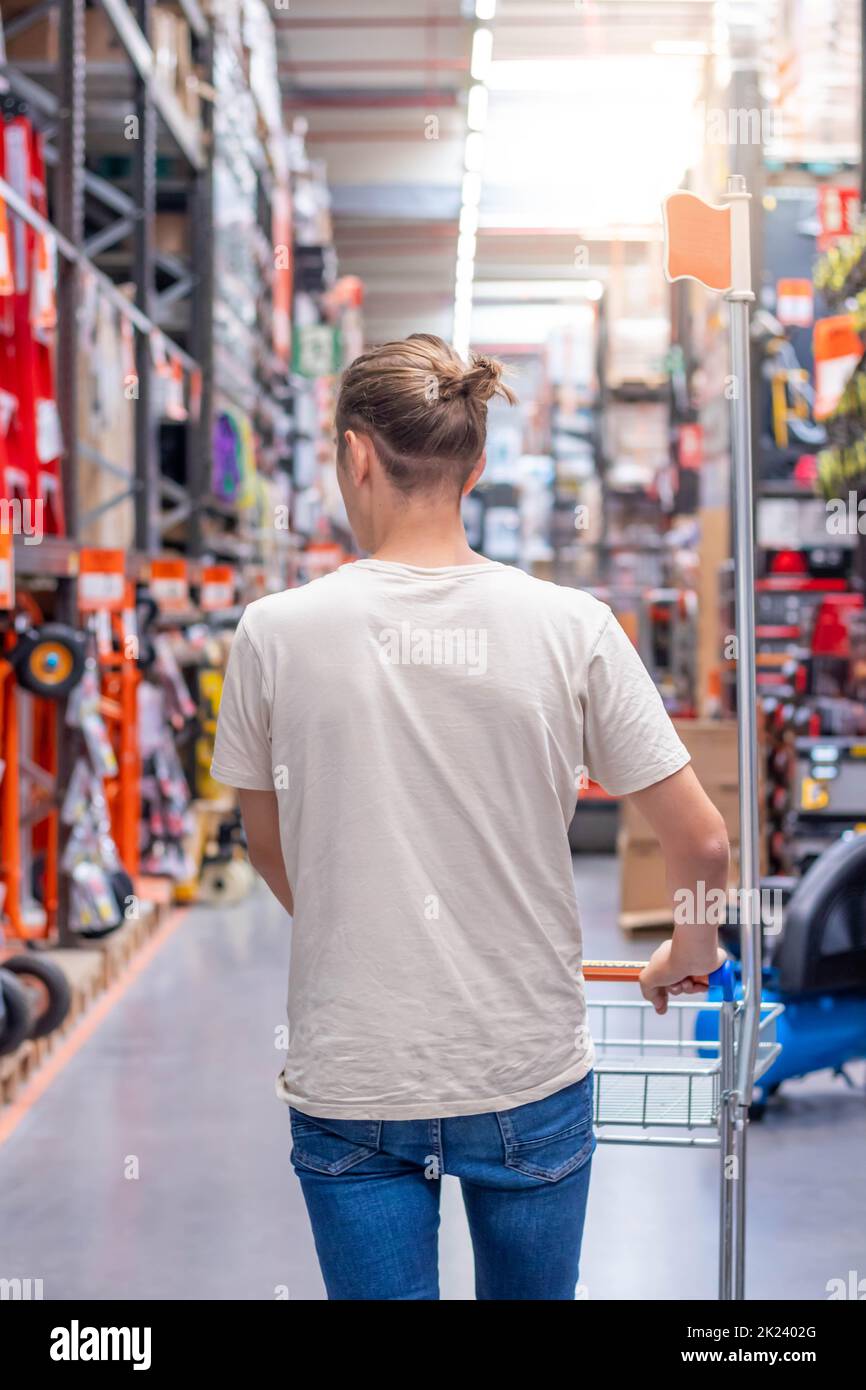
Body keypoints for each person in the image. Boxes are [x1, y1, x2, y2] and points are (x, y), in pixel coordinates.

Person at [211, 334, 728, 1301]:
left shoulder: (273, 633)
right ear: (477, 466)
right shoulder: (570, 626)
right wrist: (686, 951)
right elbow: (701, 839)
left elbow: (272, 848)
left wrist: (370, 931)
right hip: (524, 1070)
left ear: (355, 455)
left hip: (352, 1076)